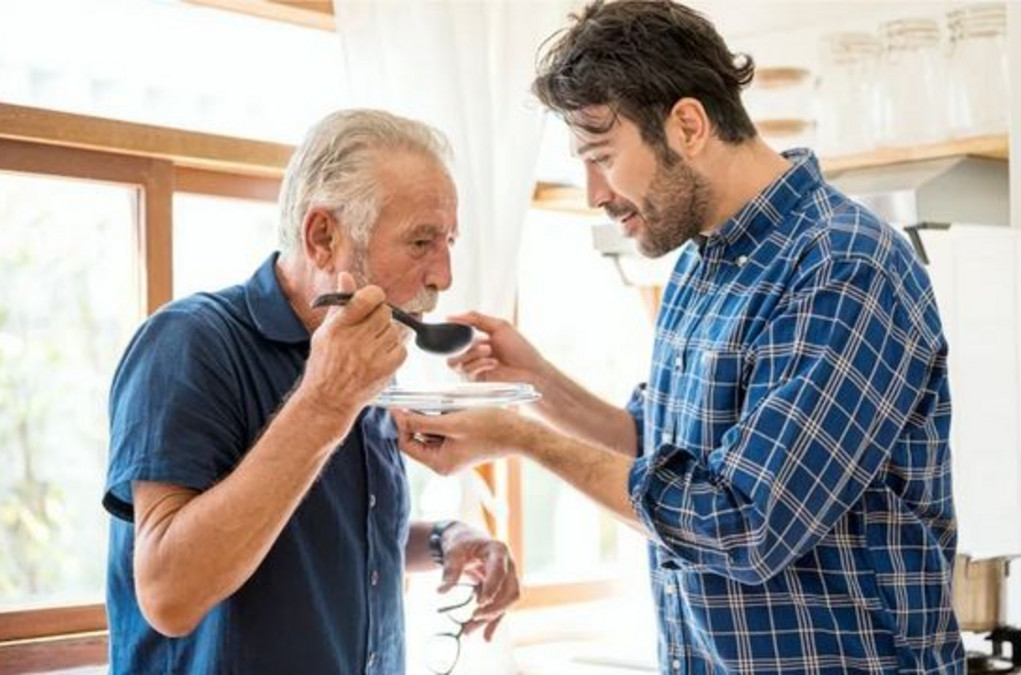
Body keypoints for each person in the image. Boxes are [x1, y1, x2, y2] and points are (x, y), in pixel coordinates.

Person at [393, 1, 963, 673]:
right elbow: (657, 447)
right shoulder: (700, 263)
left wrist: (522, 438)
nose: (594, 193)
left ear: (688, 125)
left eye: (603, 157)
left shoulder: (843, 267)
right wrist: (535, 382)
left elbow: (745, 523)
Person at [102, 109, 519, 674]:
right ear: (323, 237)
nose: (443, 275)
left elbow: (328, 542)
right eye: (421, 241)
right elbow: (168, 593)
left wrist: (447, 539)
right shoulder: (189, 343)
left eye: (448, 241)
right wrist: (325, 403)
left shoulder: (363, 362)